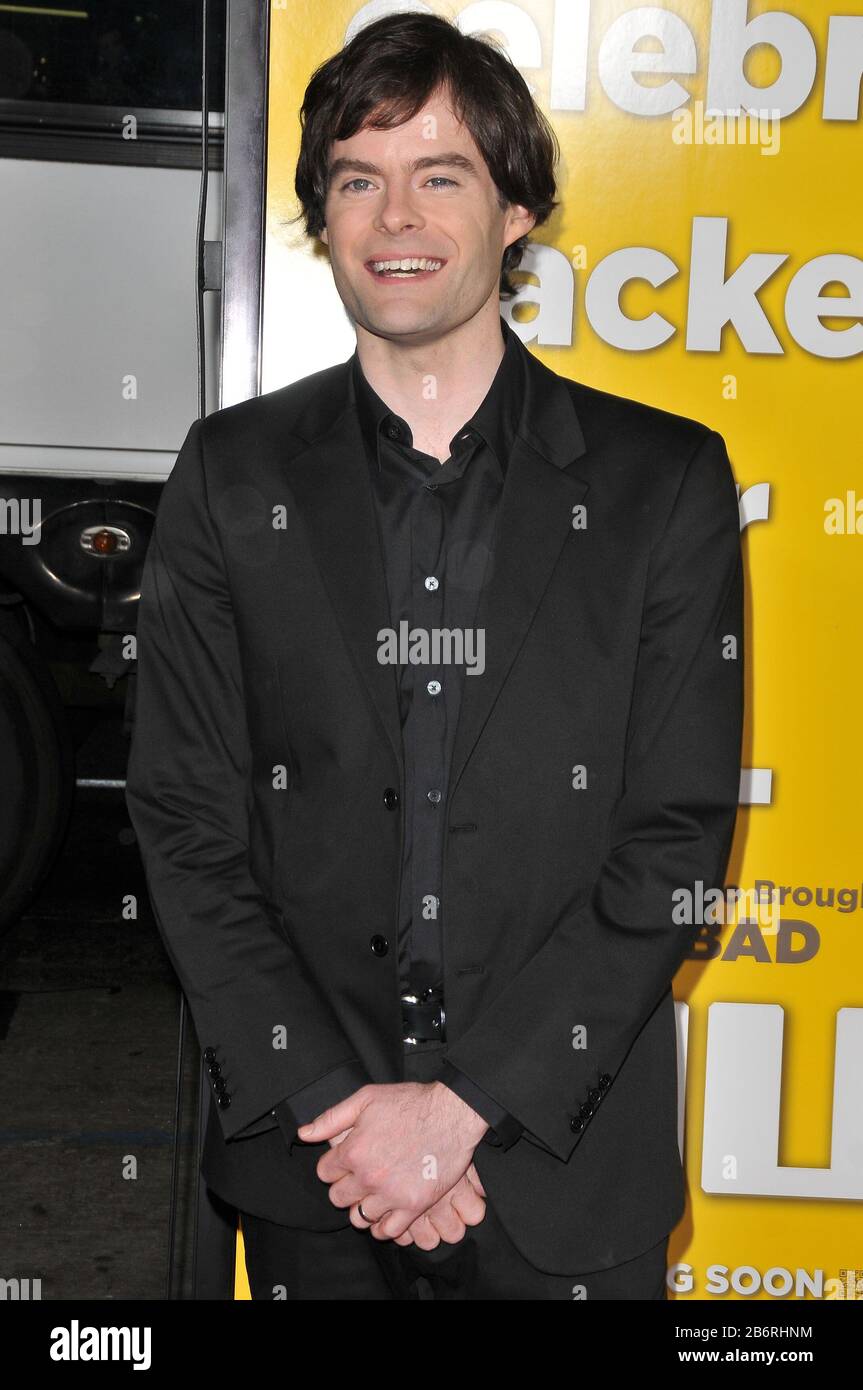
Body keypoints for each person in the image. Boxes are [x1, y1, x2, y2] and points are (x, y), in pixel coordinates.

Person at [125, 11, 743, 1301]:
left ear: (516, 210)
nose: (394, 214)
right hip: (311, 1166)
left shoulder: (659, 482)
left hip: (567, 1172)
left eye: (440, 174)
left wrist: (461, 1111)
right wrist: (343, 1106)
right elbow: (187, 819)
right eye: (359, 178)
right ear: (325, 220)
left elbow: (672, 842)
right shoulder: (230, 476)